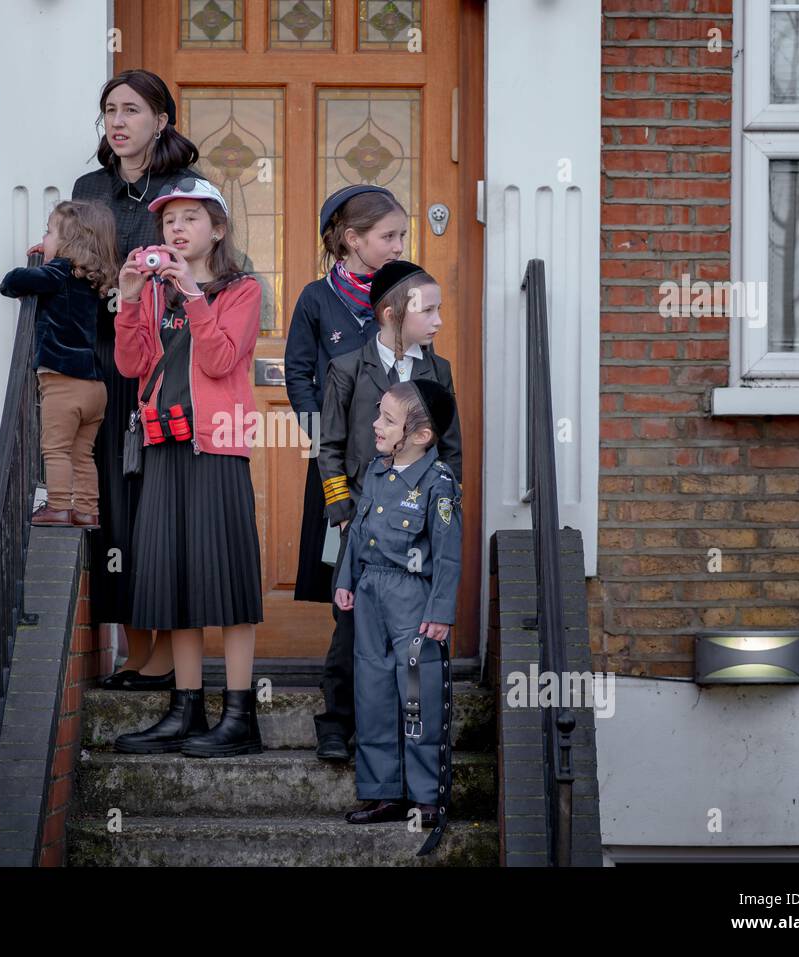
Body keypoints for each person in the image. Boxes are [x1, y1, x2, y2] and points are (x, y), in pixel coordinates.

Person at [111, 177, 265, 757]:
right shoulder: (154, 291)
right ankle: (185, 710)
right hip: (163, 441)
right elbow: (131, 364)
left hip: (217, 445)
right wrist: (130, 297)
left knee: (224, 579)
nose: (176, 228)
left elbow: (223, 358)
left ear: (217, 229)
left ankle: (240, 716)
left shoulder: (242, 289)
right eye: (169, 220)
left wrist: (194, 297)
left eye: (191, 219)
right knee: (173, 580)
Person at [70, 69, 201, 691]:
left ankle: (171, 651)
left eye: (130, 110)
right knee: (115, 508)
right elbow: (78, 266)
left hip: (165, 363)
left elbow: (210, 266)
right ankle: (134, 647)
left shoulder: (187, 190)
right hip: (103, 357)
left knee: (160, 504)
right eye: (109, 111)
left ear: (160, 120)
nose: (117, 122)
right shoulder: (89, 188)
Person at [314, 259, 462, 764]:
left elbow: (451, 451)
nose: (439, 320)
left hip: (415, 526)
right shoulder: (348, 369)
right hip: (358, 519)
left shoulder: (437, 371)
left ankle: (405, 728)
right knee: (350, 622)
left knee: (408, 633)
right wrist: (340, 508)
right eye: (430, 310)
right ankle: (336, 723)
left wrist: (439, 505)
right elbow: (329, 447)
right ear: (394, 313)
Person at [284, 185, 408, 763]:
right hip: (340, 479)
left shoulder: (406, 296)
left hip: (402, 477)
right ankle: (337, 720)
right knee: (350, 599)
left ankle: (388, 720)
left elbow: (422, 378)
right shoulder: (315, 299)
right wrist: (328, 441)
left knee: (395, 599)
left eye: (402, 236)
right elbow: (299, 376)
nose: (399, 245)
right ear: (353, 240)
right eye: (390, 236)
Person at [334, 379, 462, 854]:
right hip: (370, 593)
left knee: (415, 696)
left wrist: (442, 610)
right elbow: (358, 529)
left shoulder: (438, 483)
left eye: (387, 419)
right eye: (379, 416)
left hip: (413, 601)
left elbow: (448, 554)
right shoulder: (376, 473)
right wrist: (345, 580)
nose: (376, 425)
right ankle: (382, 791)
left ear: (421, 435)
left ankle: (426, 796)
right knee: (370, 691)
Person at [0, 201, 117, 528]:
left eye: (49, 232)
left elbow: (16, 281)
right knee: (82, 454)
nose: (44, 238)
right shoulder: (91, 280)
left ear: (68, 242)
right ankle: (87, 510)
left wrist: (34, 265)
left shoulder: (59, 271)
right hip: (95, 387)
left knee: (56, 449)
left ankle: (60, 506)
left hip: (63, 384)